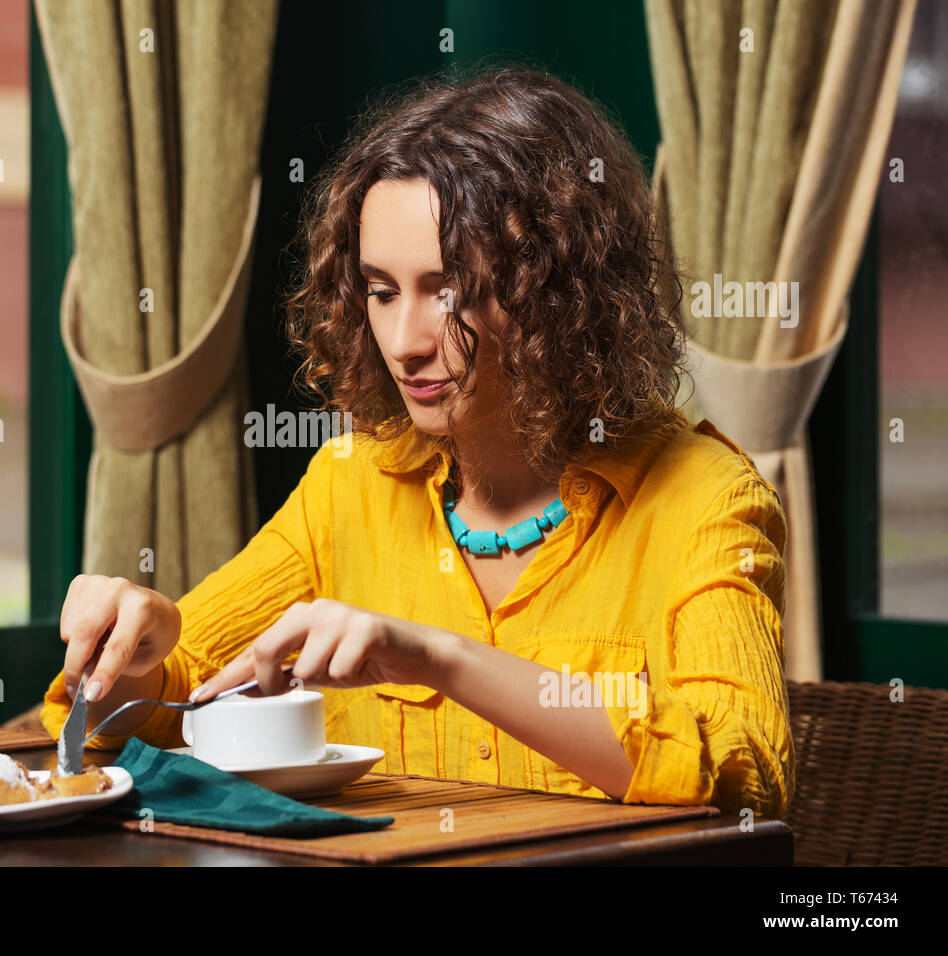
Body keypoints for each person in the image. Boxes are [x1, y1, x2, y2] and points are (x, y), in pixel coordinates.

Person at [39, 65, 794, 818]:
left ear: (561, 293)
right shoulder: (350, 483)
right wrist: (135, 649)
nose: (403, 342)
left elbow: (746, 773)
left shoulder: (706, 497)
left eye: (451, 290)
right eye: (380, 290)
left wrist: (440, 657)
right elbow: (160, 705)